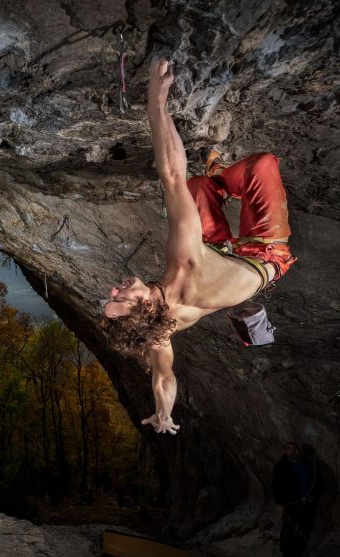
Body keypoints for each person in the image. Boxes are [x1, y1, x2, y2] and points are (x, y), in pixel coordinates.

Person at [101, 59, 296, 435]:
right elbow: (170, 175)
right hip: (265, 253)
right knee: (259, 166)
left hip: (218, 253)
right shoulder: (182, 264)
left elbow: (163, 377)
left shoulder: (160, 332)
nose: (113, 290)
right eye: (119, 299)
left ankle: (215, 180)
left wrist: (163, 412)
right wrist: (156, 103)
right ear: (145, 307)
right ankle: (222, 175)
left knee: (196, 191)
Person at [272, 442, 323, 557]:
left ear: (299, 451)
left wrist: (313, 496)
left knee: (305, 529)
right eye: (289, 449)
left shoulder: (308, 464)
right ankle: (287, 555)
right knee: (288, 530)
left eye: (295, 449)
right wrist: (279, 504)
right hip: (290, 504)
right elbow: (275, 486)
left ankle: (299, 553)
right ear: (285, 451)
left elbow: (317, 482)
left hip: (307, 504)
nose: (292, 451)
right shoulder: (280, 466)